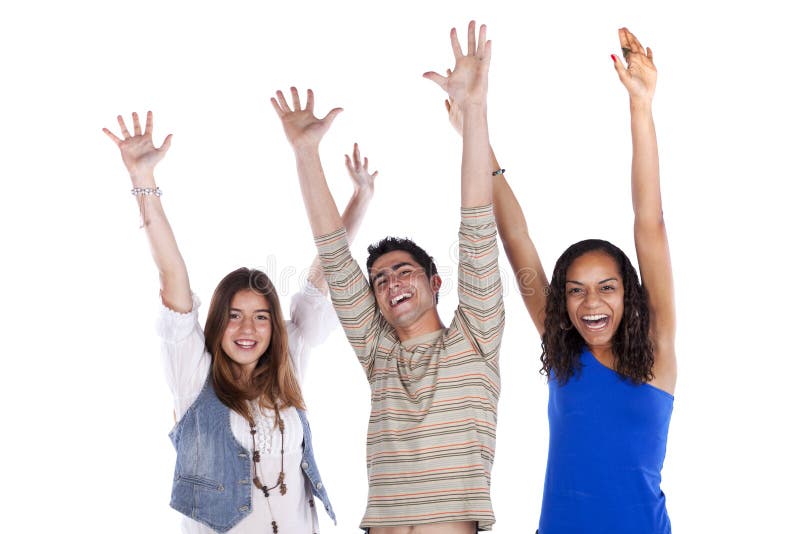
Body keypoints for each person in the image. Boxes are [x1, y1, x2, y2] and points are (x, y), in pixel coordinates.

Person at [272, 21, 503, 533]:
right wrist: (306, 154)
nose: (391, 282)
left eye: (403, 272)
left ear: (435, 282)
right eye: (379, 280)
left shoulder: (476, 338)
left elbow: (477, 225)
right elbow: (334, 254)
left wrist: (475, 109)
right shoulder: (379, 355)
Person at [444, 27, 675, 533]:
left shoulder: (657, 350)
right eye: (575, 289)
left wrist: (641, 105)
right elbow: (517, 239)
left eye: (606, 287)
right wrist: (474, 135)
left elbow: (649, 221)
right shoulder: (564, 351)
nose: (590, 302)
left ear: (629, 295)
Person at [103, 111, 377, 533]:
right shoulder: (193, 376)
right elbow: (172, 275)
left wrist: (360, 199)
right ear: (217, 323)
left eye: (261, 317)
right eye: (234, 316)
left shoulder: (289, 370)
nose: (248, 329)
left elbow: (325, 272)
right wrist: (143, 181)